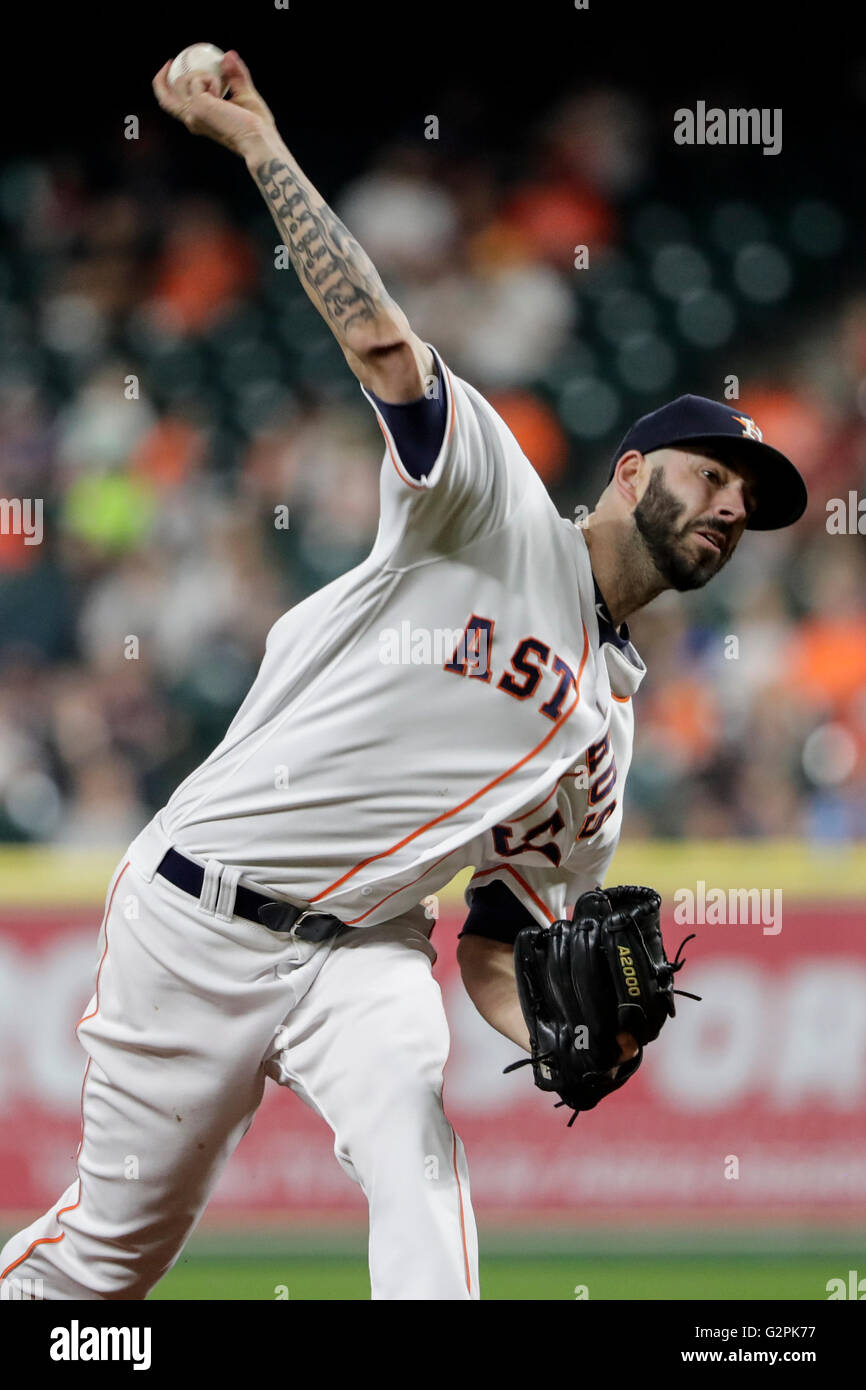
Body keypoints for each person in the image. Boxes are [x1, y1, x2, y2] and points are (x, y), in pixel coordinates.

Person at [0, 52, 807, 1302]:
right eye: (711, 476)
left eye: (749, 505)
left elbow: (501, 938)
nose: (729, 509)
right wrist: (262, 142)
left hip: (361, 953)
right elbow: (378, 336)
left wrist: (551, 1029)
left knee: (417, 1155)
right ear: (635, 473)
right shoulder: (490, 504)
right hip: (196, 911)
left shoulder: (605, 744)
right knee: (104, 1268)